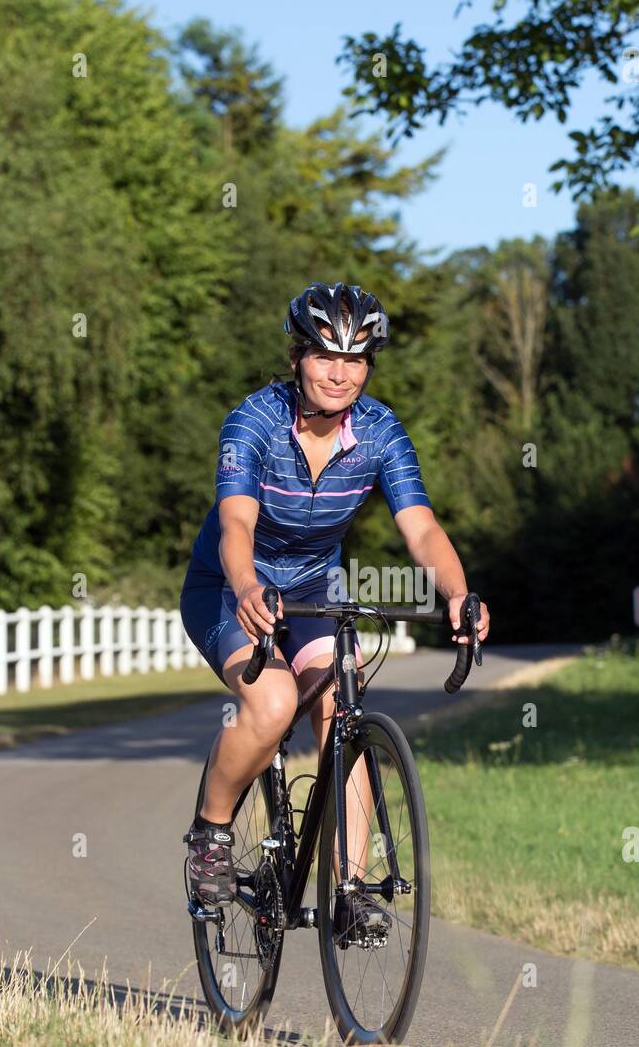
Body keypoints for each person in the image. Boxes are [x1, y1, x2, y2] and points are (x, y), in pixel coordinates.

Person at [180, 281, 490, 931]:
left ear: (368, 366)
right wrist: (245, 588)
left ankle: (348, 888)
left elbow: (423, 530)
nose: (339, 373)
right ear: (298, 357)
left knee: (338, 707)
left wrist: (459, 594)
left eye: (354, 361)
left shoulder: (380, 433)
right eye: (326, 357)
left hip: (316, 587)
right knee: (271, 703)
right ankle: (210, 833)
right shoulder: (253, 422)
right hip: (228, 585)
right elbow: (236, 524)